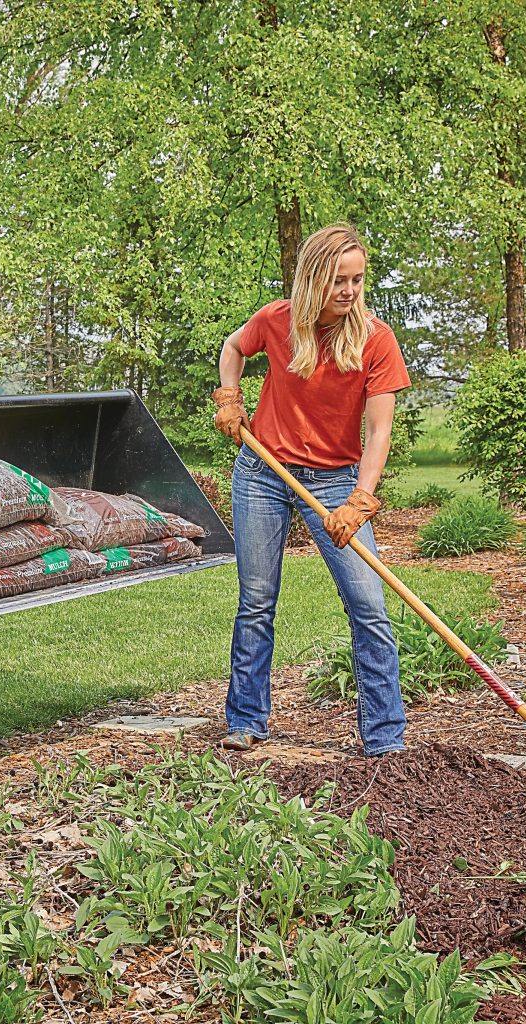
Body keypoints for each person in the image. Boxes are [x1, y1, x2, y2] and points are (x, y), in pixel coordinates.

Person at [211, 223, 409, 757]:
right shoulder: (278, 320)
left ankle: (385, 738)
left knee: (369, 605)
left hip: (338, 479)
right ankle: (246, 720)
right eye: (339, 280)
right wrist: (230, 397)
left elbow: (379, 431)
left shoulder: (375, 339)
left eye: (358, 280)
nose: (349, 291)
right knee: (256, 600)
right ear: (315, 278)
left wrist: (360, 501)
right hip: (263, 471)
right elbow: (233, 347)